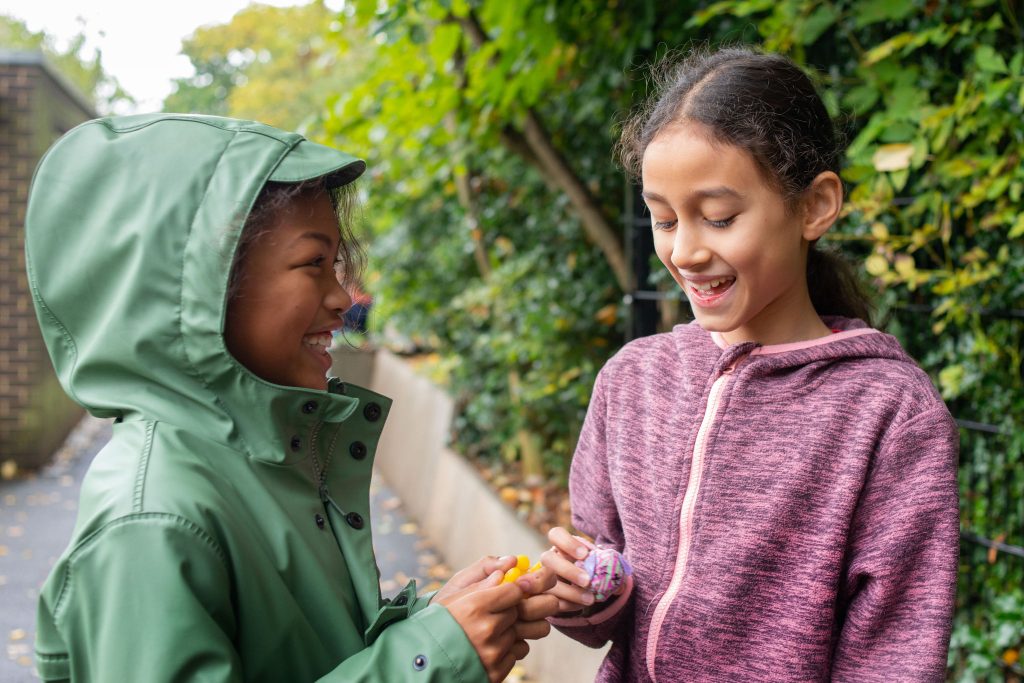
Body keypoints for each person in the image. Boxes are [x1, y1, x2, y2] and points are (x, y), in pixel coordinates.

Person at [27, 113, 557, 682]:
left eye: (335, 266)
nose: (341, 298)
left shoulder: (252, 458)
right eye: (312, 265)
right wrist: (430, 659)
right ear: (200, 287)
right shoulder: (151, 519)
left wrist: (436, 624)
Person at [540, 47, 959, 681]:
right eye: (663, 219)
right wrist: (587, 590)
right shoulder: (631, 381)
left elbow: (895, 651)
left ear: (815, 206)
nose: (684, 251)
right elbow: (606, 591)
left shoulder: (888, 412)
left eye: (719, 218)